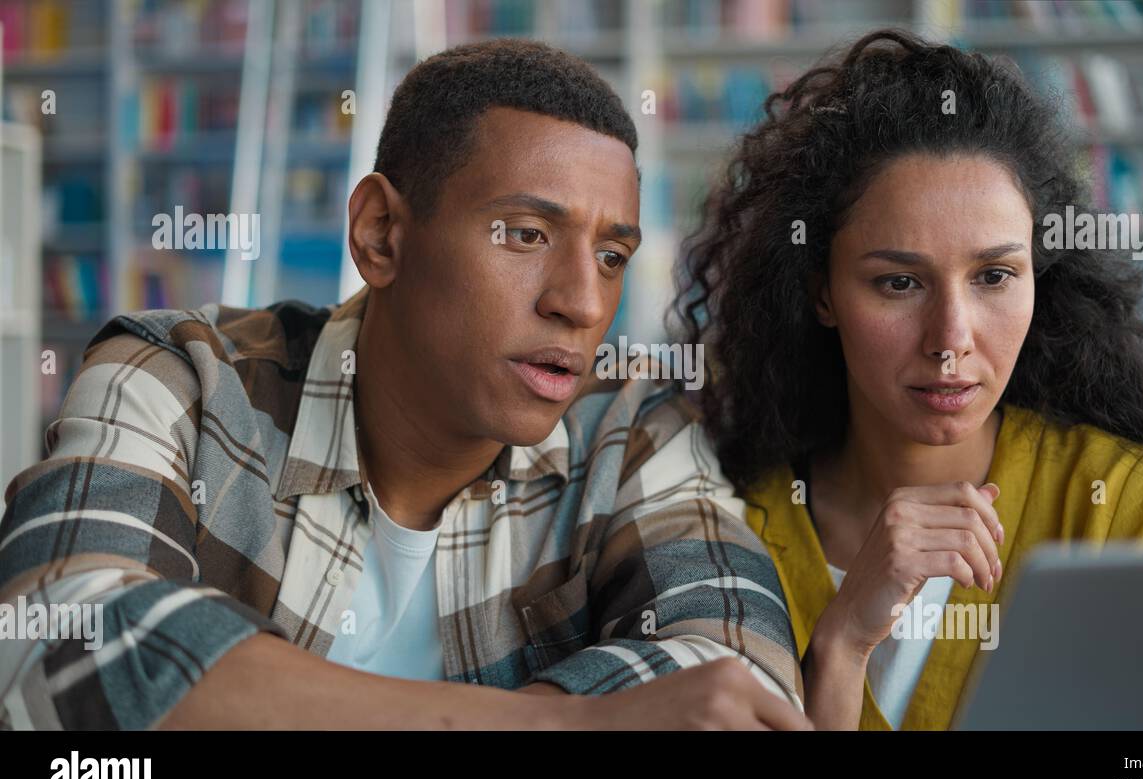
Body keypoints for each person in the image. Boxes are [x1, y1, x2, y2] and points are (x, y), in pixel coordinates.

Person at [0, 39, 809, 731]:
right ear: (381, 234)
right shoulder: (182, 379)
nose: (583, 302)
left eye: (611, 255)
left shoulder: (633, 428)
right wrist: (565, 719)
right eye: (526, 234)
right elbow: (55, 646)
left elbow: (739, 675)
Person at [673, 29, 1143, 731]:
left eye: (993, 276)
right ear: (822, 293)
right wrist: (839, 646)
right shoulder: (730, 529)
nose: (951, 338)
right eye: (898, 282)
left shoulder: (1121, 507)